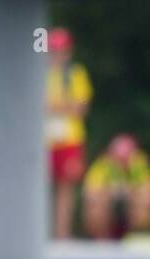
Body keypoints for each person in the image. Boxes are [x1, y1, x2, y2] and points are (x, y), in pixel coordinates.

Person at [46, 27, 93, 238]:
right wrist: (65, 106)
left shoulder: (75, 73)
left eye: (60, 50)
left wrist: (53, 106)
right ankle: (40, 235)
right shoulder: (39, 74)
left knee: (66, 190)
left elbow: (82, 107)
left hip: (69, 140)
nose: (57, 55)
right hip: (44, 141)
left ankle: (61, 235)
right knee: (40, 188)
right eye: (53, 50)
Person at [82, 134, 150, 240]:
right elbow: (90, 192)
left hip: (132, 203)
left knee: (145, 201)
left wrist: (131, 193)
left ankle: (137, 236)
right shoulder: (103, 165)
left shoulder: (139, 164)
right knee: (95, 207)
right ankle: (101, 238)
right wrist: (110, 193)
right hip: (107, 203)